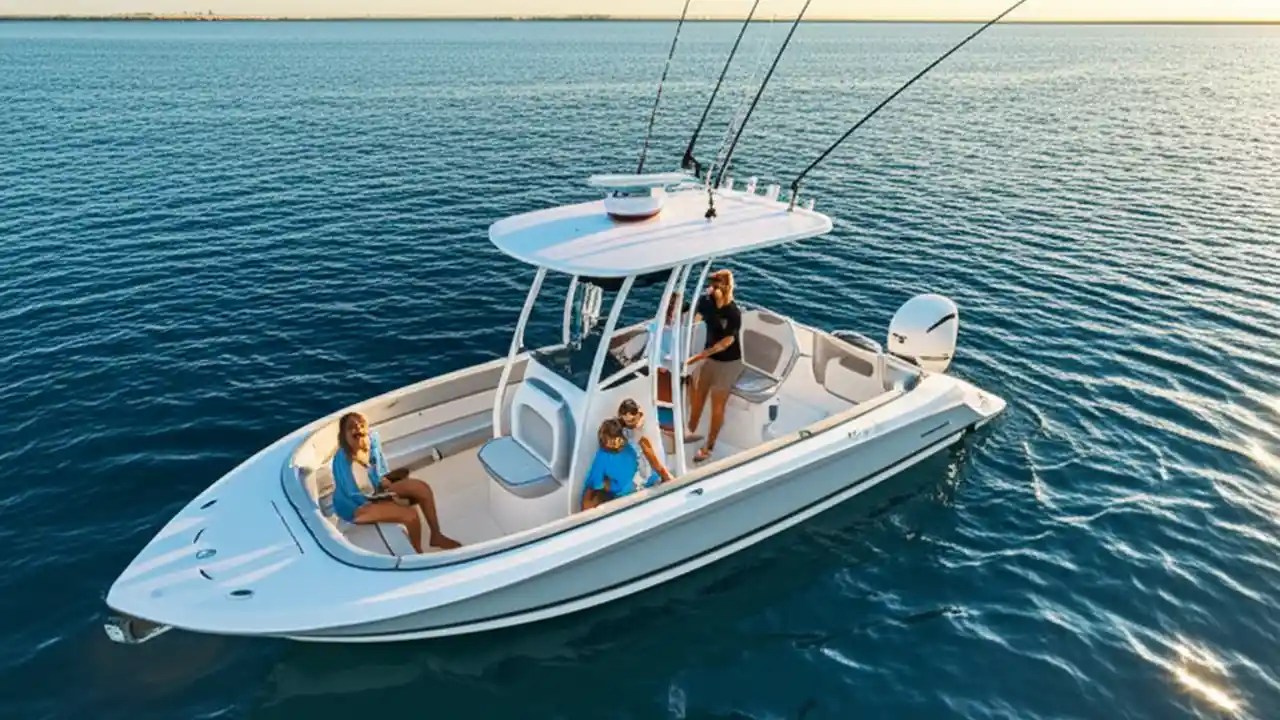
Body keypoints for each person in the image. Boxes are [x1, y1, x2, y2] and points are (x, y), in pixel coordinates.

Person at [331, 412, 461, 551]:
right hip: (356, 507)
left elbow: (382, 471)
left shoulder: (372, 441)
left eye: (361, 425)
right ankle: (418, 552)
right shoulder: (343, 461)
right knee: (410, 515)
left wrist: (388, 483)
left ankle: (436, 536)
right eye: (351, 427)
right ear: (343, 436)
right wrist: (393, 499)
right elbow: (357, 496)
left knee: (422, 489)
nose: (357, 428)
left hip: (378, 490)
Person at [686, 269, 743, 463]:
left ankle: (709, 446)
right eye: (710, 285)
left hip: (728, 362)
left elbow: (727, 342)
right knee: (698, 395)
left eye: (715, 286)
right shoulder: (706, 301)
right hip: (708, 358)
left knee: (717, 404)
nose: (711, 289)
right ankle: (689, 431)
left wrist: (700, 356)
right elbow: (694, 320)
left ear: (726, 287)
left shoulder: (733, 313)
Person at [581, 418, 662, 510]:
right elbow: (596, 483)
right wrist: (610, 486)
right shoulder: (603, 456)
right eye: (610, 442)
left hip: (646, 485)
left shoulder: (632, 444)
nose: (615, 445)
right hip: (629, 494)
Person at [617, 398, 675, 485]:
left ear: (638, 414)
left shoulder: (640, 434)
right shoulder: (629, 428)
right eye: (627, 422)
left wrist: (666, 476)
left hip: (652, 474)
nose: (630, 424)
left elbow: (651, 455)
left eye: (632, 420)